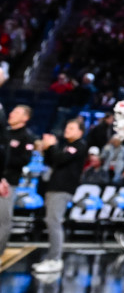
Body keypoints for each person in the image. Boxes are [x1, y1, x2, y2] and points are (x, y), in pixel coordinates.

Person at [31, 117, 87, 275]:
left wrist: (52, 146)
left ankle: (55, 259)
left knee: (54, 222)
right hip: (54, 187)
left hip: (63, 189)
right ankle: (52, 258)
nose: (67, 130)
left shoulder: (79, 145)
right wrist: (47, 148)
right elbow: (52, 162)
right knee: (51, 221)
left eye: (71, 128)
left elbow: (60, 159)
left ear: (80, 132)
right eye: (67, 127)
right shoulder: (66, 146)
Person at [0, 104, 36, 257]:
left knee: (3, 219)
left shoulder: (26, 136)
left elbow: (24, 159)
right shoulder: (4, 132)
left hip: (8, 182)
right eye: (13, 110)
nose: (12, 113)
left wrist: (4, 165)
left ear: (25, 118)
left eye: (17, 112)